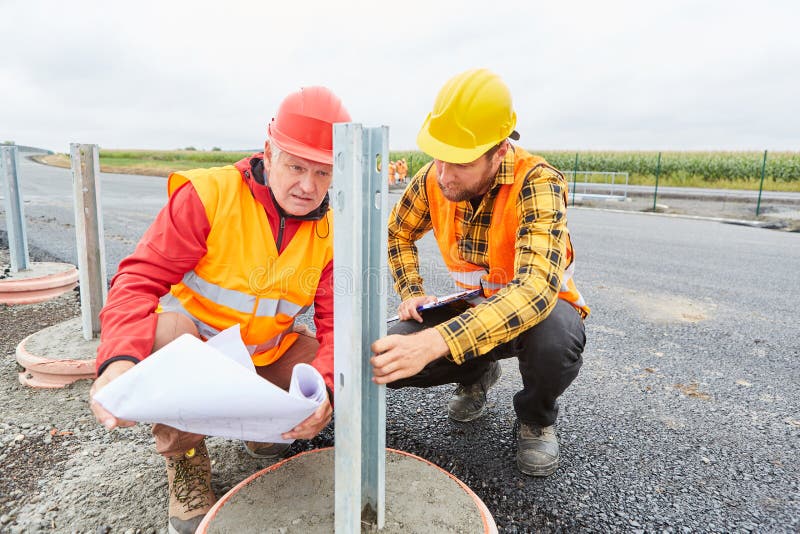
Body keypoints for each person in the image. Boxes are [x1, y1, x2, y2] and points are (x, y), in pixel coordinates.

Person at [88, 86, 351, 533]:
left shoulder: (334, 228)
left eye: (324, 172)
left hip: (264, 355)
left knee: (341, 370)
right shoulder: (209, 196)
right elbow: (136, 281)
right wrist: (116, 361)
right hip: (199, 352)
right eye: (296, 166)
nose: (308, 186)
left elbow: (339, 322)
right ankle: (187, 461)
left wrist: (325, 387)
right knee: (159, 337)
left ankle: (266, 427)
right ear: (269, 152)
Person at [370, 69, 589, 477]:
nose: (444, 174)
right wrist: (411, 290)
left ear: (499, 152)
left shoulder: (537, 182)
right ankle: (478, 374)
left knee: (556, 338)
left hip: (535, 322)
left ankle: (536, 418)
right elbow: (397, 232)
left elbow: (537, 290)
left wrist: (436, 341)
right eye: (438, 155)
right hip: (473, 313)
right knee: (391, 356)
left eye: (461, 162)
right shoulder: (433, 180)